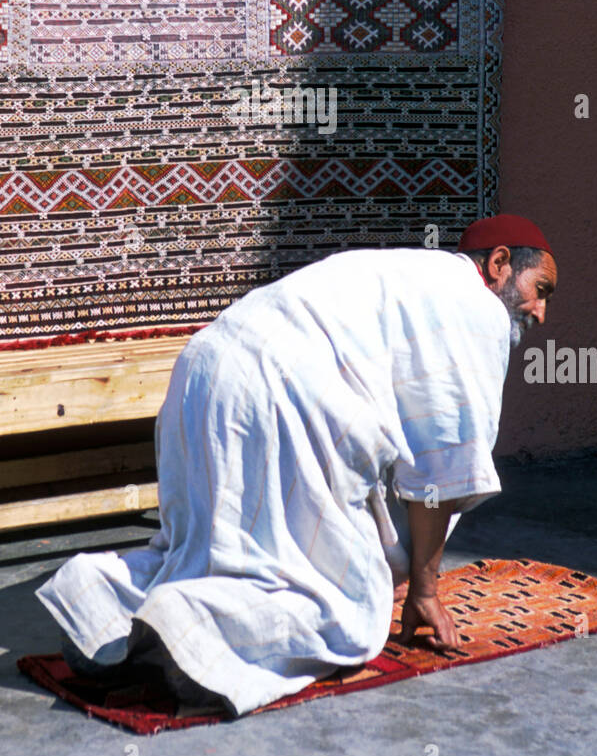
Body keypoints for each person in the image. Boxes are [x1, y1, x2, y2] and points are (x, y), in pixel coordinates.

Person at [36, 213, 557, 717]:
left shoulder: (403, 273)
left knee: (203, 549)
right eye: (542, 289)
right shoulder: (477, 306)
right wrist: (423, 589)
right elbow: (443, 471)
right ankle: (195, 628)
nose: (540, 314)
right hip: (285, 390)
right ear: (499, 263)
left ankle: (98, 603)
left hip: (205, 370)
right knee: (343, 606)